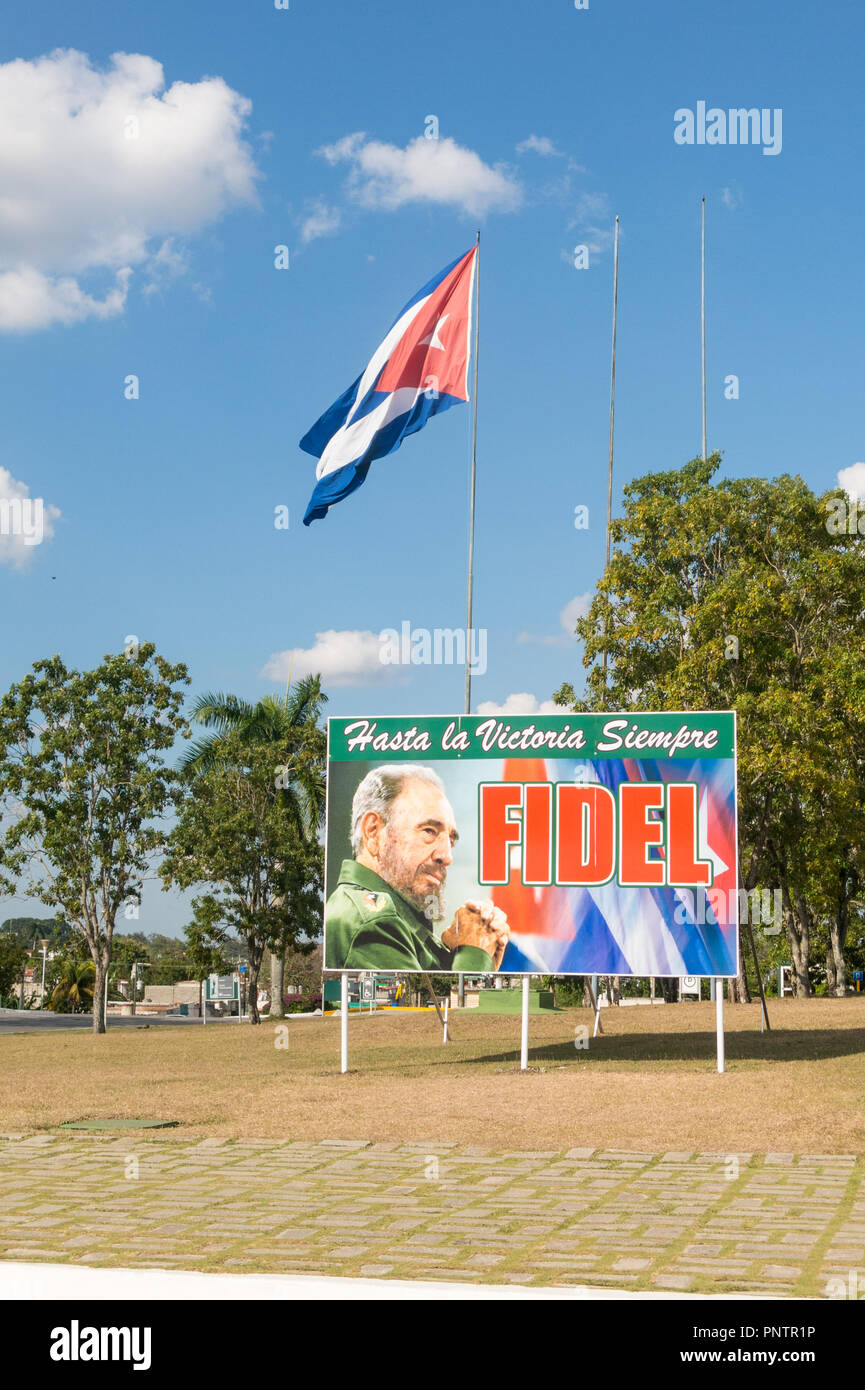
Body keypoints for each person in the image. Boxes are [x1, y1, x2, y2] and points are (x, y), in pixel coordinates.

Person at [325, 764, 509, 972]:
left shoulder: (399, 923)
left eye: (451, 840)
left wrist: (459, 953)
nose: (447, 856)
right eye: (429, 831)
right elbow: (434, 1005)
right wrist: (474, 955)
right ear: (373, 832)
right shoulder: (373, 923)